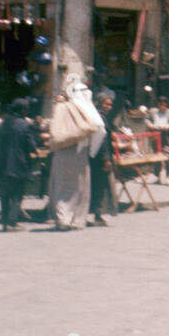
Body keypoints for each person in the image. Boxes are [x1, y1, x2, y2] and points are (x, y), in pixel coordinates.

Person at [49, 75, 103, 231]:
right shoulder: (85, 108)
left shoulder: (64, 106)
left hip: (66, 150)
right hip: (79, 152)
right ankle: (73, 220)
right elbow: (99, 129)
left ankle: (64, 219)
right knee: (78, 189)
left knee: (63, 186)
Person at [0, 98, 42, 232]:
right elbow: (31, 145)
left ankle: (5, 223)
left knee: (4, 196)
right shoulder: (24, 125)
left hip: (1, 164)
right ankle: (12, 223)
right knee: (17, 195)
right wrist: (36, 149)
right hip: (18, 165)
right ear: (23, 110)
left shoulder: (5, 122)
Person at [88, 92, 117, 226]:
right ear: (100, 103)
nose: (109, 107)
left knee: (96, 185)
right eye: (107, 104)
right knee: (100, 186)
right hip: (100, 158)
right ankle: (98, 214)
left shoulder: (97, 116)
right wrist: (106, 158)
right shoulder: (100, 117)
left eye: (111, 104)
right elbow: (103, 140)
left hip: (94, 157)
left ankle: (96, 213)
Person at [146, 96, 169, 185]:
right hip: (155, 135)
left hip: (165, 135)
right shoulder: (153, 111)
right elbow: (146, 119)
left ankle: (168, 177)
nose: (162, 107)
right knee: (157, 156)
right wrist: (150, 125)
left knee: (168, 156)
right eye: (161, 105)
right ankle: (158, 177)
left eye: (164, 105)